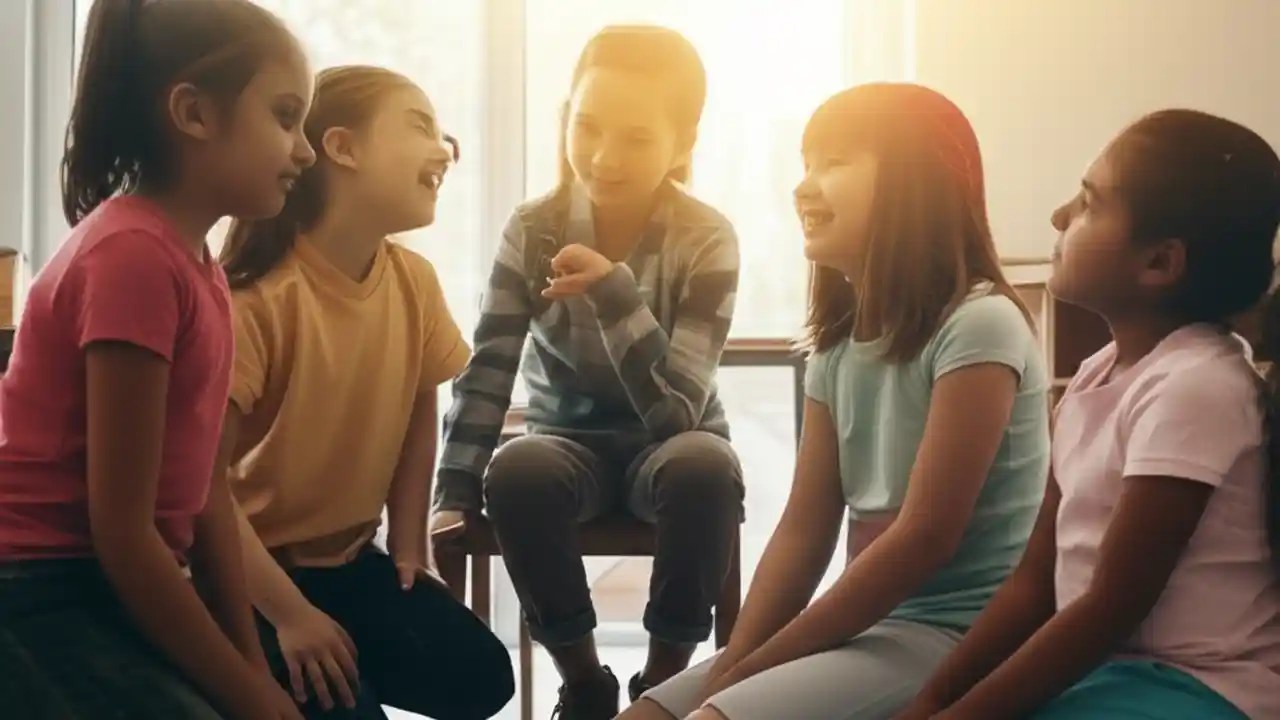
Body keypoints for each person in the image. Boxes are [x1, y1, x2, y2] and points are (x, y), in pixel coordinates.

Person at [622, 82, 1051, 720]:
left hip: (958, 640)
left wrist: (747, 676)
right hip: (874, 631)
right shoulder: (835, 348)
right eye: (807, 162)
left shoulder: (981, 325)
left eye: (835, 162)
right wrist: (739, 656)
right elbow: (804, 530)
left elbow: (924, 540)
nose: (804, 186)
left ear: (915, 183)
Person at [899, 109, 1280, 720]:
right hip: (1114, 674)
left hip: (1199, 687)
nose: (1058, 218)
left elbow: (1111, 605)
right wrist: (934, 699)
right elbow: (1035, 577)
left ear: (1159, 263)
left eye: (1086, 203)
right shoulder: (1096, 377)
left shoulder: (1197, 386)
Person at [0, 1, 315, 718]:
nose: (305, 151)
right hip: (33, 591)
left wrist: (252, 672)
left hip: (99, 582)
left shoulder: (198, 269)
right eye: (286, 116)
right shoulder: (133, 258)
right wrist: (253, 701)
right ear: (195, 114)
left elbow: (205, 497)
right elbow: (124, 532)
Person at [431, 25, 744, 719]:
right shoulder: (534, 226)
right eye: (588, 126)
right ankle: (585, 685)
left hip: (671, 445)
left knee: (703, 467)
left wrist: (614, 293)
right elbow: (491, 364)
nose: (603, 157)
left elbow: (675, 413)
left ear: (682, 145)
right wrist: (452, 489)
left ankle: (660, 693)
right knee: (517, 470)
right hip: (568, 447)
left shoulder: (708, 237)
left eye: (636, 138)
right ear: (564, 119)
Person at [218, 65, 514, 720]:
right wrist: (291, 617)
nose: (446, 150)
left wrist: (411, 547)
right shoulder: (257, 300)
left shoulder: (414, 281)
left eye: (445, 134)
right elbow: (196, 489)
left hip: (348, 563)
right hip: (249, 576)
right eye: (419, 126)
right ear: (343, 148)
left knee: (482, 678)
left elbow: (418, 407)